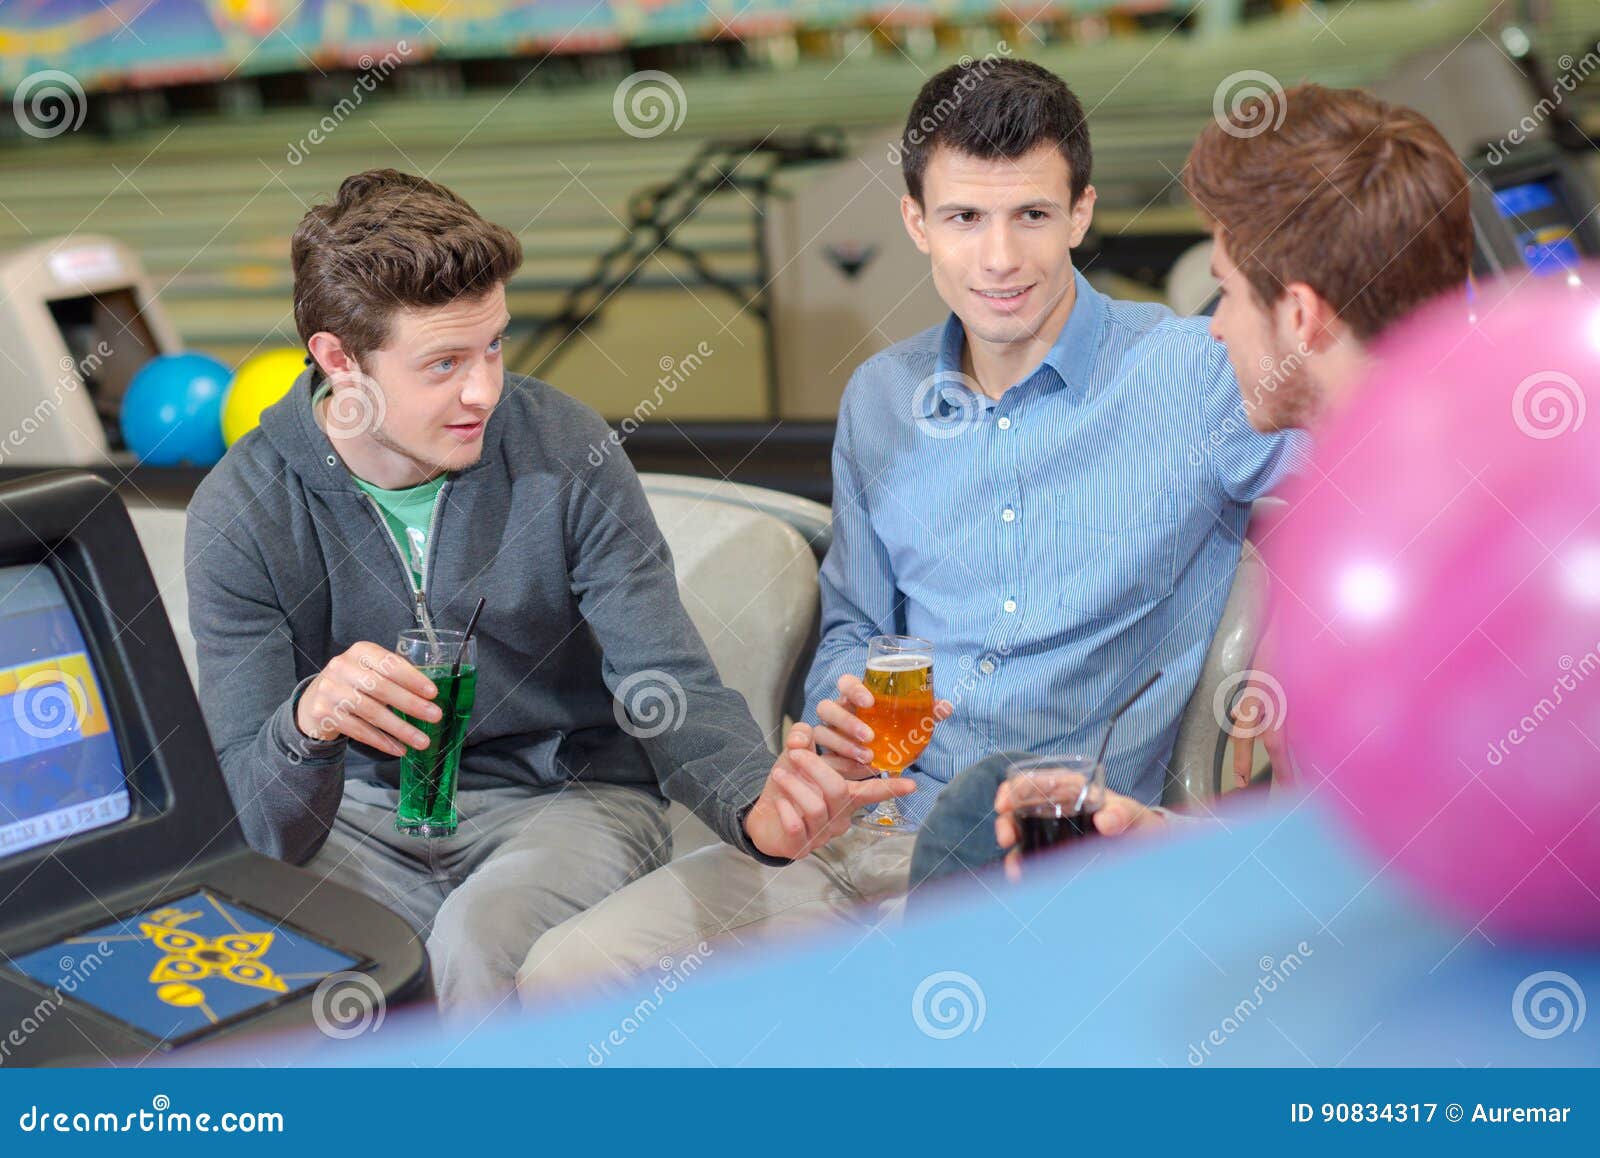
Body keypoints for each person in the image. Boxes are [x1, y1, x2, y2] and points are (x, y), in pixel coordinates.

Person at [516, 59, 1303, 1003]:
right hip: (861, 829)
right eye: (966, 218)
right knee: (568, 972)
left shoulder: (1196, 375)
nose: (1000, 259)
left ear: (1083, 213)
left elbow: (1380, 494)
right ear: (916, 224)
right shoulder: (882, 399)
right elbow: (853, 619)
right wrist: (839, 699)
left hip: (1028, 856)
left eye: (1033, 216)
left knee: (868, 1022)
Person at [184, 169, 910, 1014]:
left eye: (493, 345)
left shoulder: (562, 445)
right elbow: (253, 817)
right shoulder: (243, 510)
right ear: (339, 361)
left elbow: (664, 677)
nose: (484, 389)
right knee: (242, 949)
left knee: (474, 943)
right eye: (443, 363)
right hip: (363, 812)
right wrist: (307, 724)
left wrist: (755, 805)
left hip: (569, 799)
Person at [912, 82, 1474, 889]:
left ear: (1304, 319)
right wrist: (1164, 839)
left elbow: (1382, 901)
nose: (1215, 324)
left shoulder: (1410, 575)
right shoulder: (1406, 494)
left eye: (1230, 290)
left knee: (975, 820)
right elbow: (1326, 853)